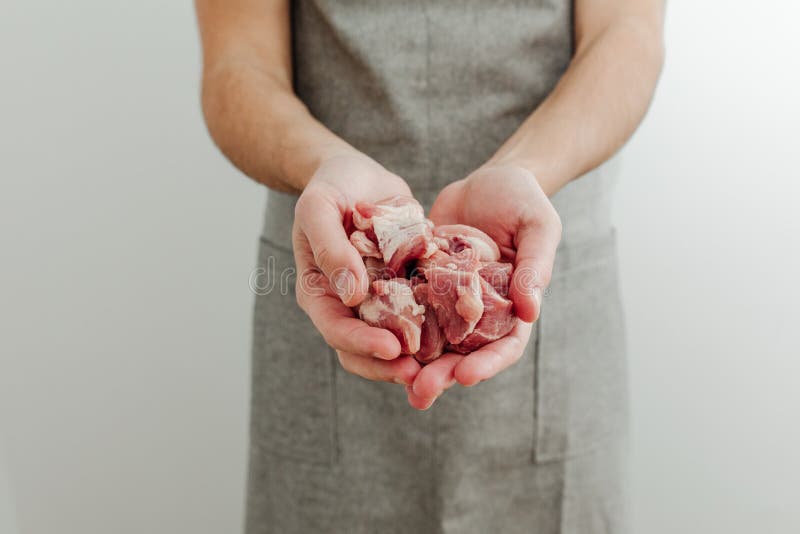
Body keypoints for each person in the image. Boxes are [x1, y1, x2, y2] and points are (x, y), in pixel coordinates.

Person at [195, 1, 664, 532]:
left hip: (538, 267)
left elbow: (625, 35)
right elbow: (238, 64)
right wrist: (321, 162)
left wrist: (525, 169)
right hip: (338, 274)